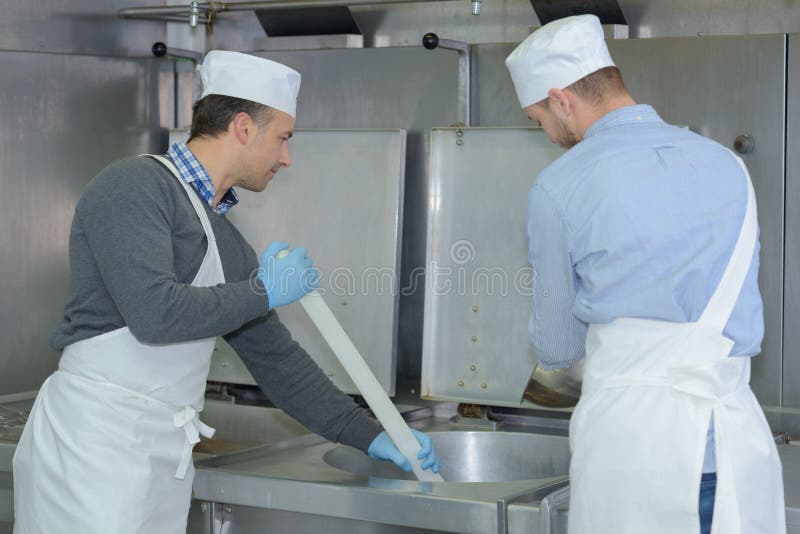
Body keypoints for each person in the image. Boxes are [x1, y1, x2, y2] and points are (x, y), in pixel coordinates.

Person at [13, 50, 440, 534]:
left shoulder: (226, 239)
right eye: (282, 138)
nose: (286, 157)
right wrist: (263, 291)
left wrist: (372, 435)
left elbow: (278, 362)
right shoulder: (132, 187)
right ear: (242, 127)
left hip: (159, 463)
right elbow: (155, 315)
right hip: (89, 453)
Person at [505, 14, 785, 534]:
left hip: (633, 457)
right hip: (733, 447)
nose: (544, 134)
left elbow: (557, 347)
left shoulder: (558, 187)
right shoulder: (728, 165)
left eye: (538, 118)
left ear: (561, 99)